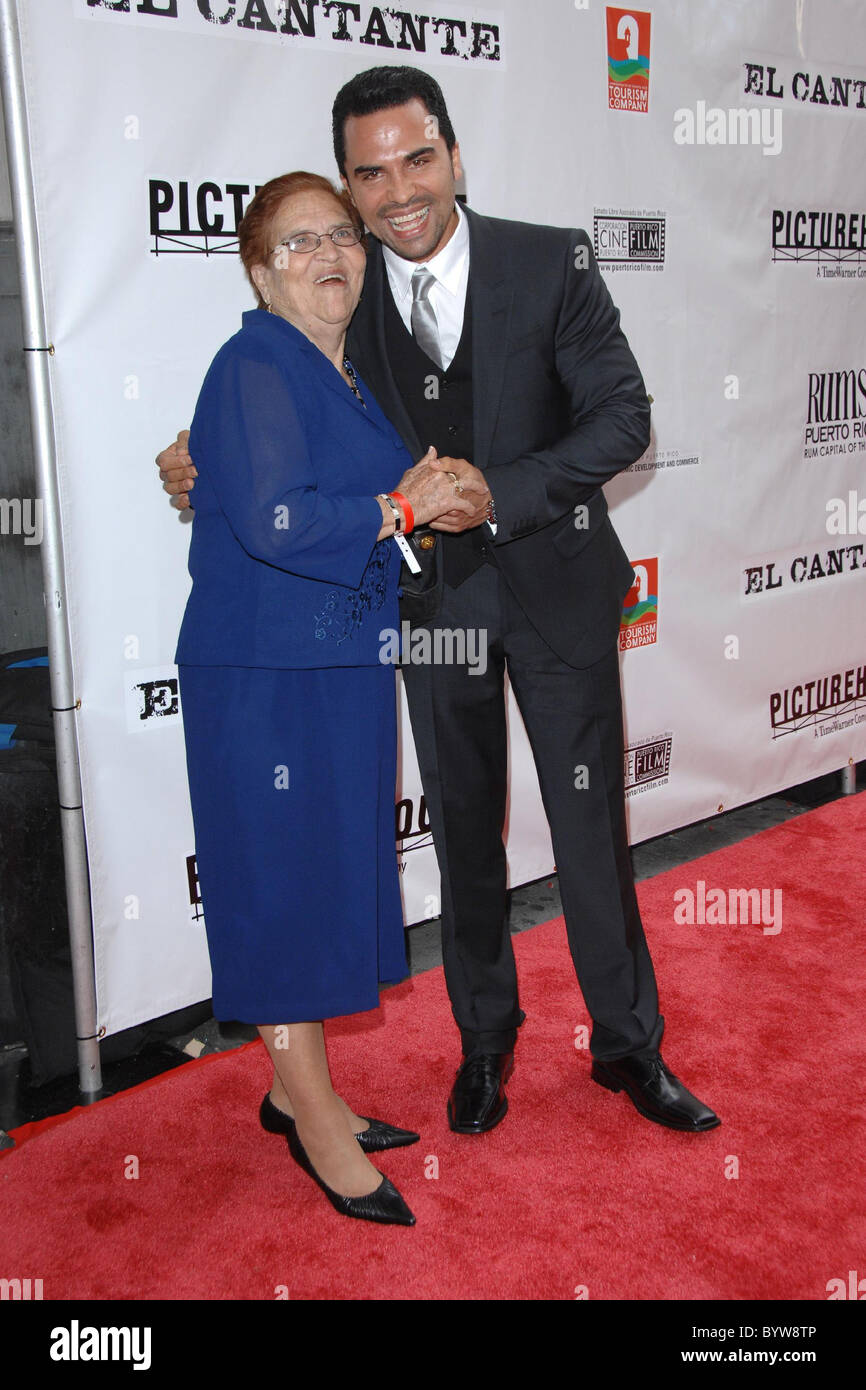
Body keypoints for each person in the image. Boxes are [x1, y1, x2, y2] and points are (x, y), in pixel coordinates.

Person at [160, 67, 719, 1140]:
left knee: (586, 829)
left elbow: (621, 417)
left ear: (454, 158)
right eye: (369, 173)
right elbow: (284, 406)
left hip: (554, 588)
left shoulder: (546, 259)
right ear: (349, 188)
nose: (397, 190)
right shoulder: (343, 285)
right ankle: (485, 1042)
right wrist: (200, 461)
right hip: (429, 612)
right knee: (463, 834)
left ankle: (626, 1046)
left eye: (417, 160)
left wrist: (495, 494)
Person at [175, 169, 481, 1228]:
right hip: (267, 677)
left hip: (337, 665)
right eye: (297, 243)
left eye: (339, 236)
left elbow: (359, 509)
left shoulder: (340, 372)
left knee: (312, 879)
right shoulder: (257, 357)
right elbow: (271, 520)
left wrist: (426, 502)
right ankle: (310, 1123)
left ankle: (292, 1087)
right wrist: (401, 500)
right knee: (280, 887)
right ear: (260, 272)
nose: (327, 256)